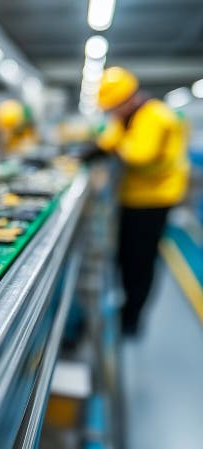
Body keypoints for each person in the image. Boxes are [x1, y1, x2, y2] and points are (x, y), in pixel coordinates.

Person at [96, 66, 190, 336]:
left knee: (141, 260)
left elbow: (139, 156)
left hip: (154, 200)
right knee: (126, 255)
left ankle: (132, 318)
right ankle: (125, 305)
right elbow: (109, 140)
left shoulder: (155, 116)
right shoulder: (128, 117)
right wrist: (101, 147)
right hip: (132, 197)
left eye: (114, 107)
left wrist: (112, 146)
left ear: (130, 99)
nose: (112, 112)